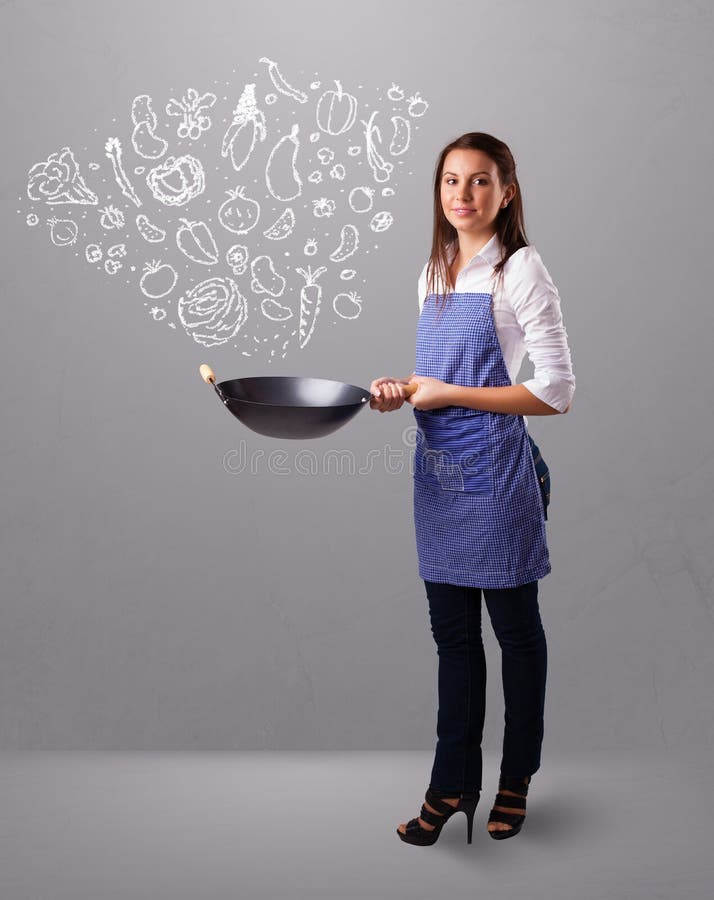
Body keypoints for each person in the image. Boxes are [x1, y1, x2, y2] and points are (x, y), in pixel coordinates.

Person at [369, 132, 576, 847]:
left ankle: (515, 777)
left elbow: (556, 392)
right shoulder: (432, 272)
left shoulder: (520, 270)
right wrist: (401, 390)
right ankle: (450, 785)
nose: (463, 195)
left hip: (496, 475)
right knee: (451, 640)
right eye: (451, 181)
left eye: (480, 181)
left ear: (507, 192)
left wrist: (448, 392)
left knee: (515, 635)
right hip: (439, 477)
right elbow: (433, 378)